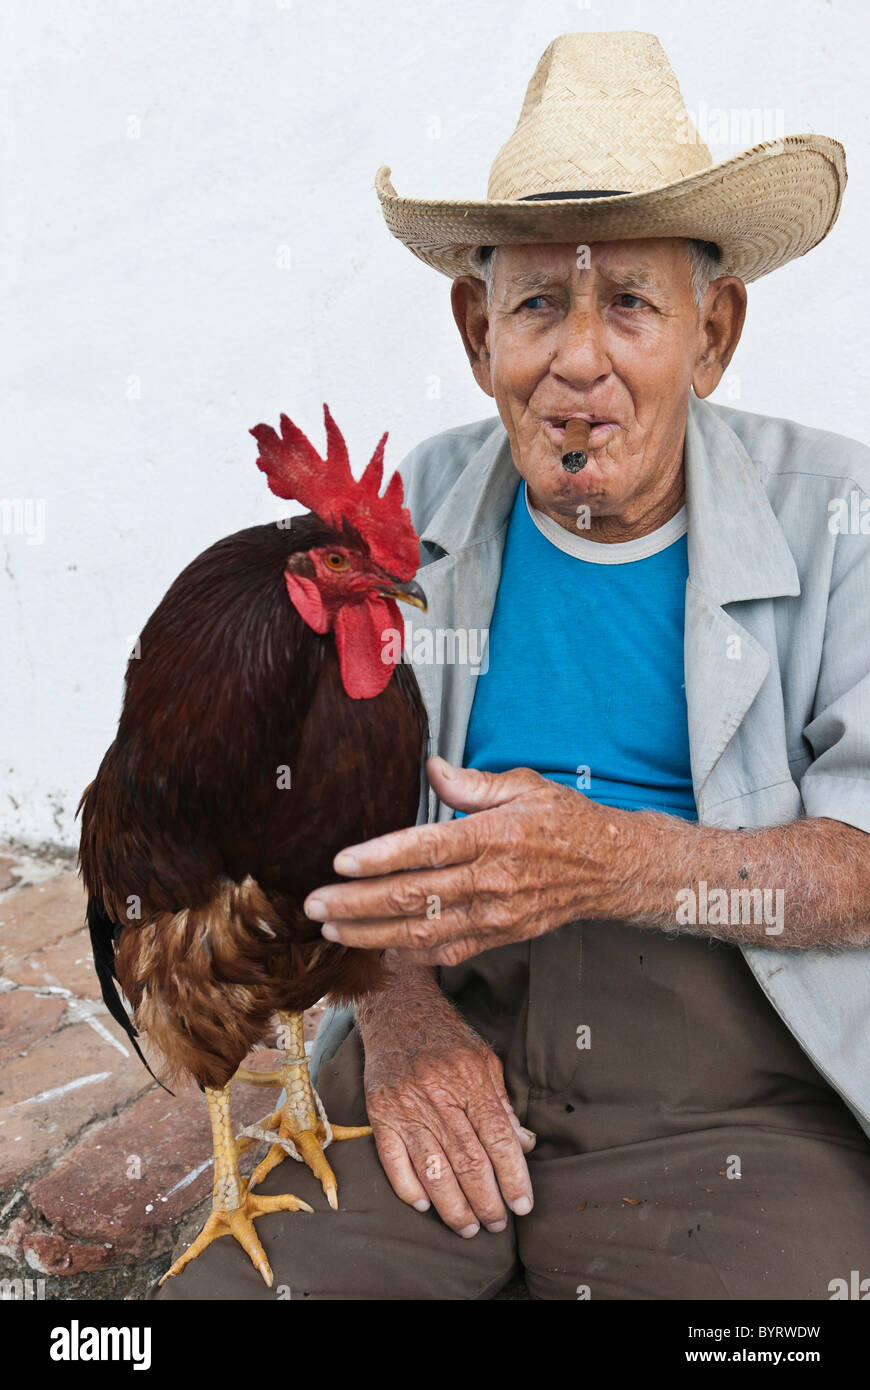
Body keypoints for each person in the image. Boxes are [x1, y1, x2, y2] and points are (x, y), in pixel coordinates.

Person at [154, 30, 870, 1301]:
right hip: (437, 1021)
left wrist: (618, 858)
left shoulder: (843, 518)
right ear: (478, 329)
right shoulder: (400, 518)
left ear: (716, 332)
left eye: (632, 303)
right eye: (539, 303)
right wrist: (399, 1014)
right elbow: (299, 824)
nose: (578, 362)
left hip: (737, 1077)